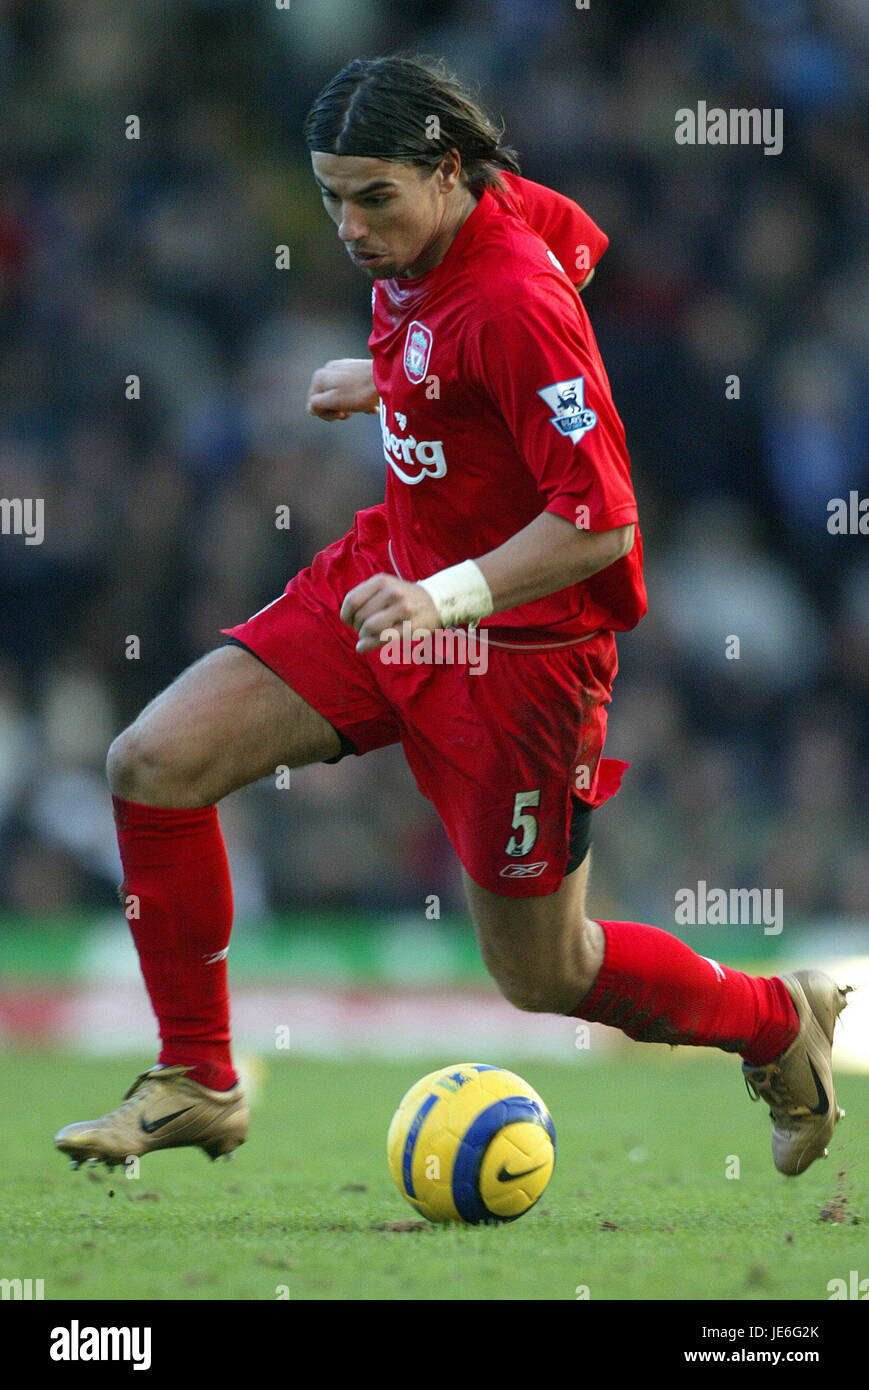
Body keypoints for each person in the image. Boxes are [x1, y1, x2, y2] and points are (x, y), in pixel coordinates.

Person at [56, 56, 849, 1179]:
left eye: (373, 196)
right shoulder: (484, 215)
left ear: (444, 172)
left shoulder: (514, 295)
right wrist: (395, 375)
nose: (347, 225)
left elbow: (600, 522)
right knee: (151, 761)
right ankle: (199, 1078)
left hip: (516, 654)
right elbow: (560, 262)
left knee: (543, 973)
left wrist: (442, 595)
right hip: (387, 580)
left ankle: (776, 1018)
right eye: (330, 196)